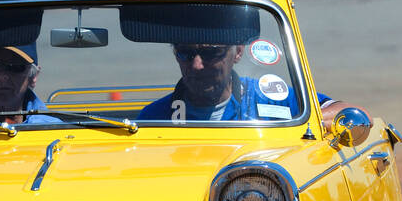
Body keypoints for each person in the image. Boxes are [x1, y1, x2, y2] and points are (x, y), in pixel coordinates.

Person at [137, 43, 360, 128]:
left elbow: (353, 113)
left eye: (211, 53)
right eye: (185, 52)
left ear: (238, 53)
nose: (196, 65)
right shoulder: (154, 117)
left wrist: (305, 125)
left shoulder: (267, 96)